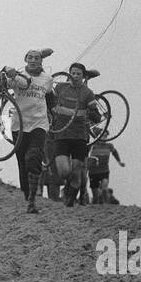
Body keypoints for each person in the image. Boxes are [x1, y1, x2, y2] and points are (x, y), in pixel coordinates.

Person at [0, 48, 55, 213]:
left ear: (41, 61)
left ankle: (33, 200)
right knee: (22, 162)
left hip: (39, 123)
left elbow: (50, 97)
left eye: (37, 58)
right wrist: (4, 70)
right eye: (30, 57)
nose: (33, 60)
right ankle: (27, 194)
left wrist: (52, 112)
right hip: (19, 124)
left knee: (33, 157)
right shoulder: (17, 75)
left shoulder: (47, 78)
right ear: (25, 59)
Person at [48, 62, 102, 207]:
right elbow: (49, 101)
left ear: (83, 76)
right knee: (64, 171)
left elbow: (97, 117)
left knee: (77, 170)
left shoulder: (87, 92)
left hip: (79, 136)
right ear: (69, 74)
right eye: (73, 73)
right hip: (62, 135)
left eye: (78, 73)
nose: (75, 76)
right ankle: (69, 188)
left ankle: (69, 199)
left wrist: (91, 113)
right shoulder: (60, 88)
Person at [86, 138, 125, 203]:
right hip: (93, 171)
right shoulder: (93, 145)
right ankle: (96, 206)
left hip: (104, 170)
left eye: (105, 136)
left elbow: (114, 152)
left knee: (104, 188)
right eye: (103, 135)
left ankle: (106, 205)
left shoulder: (109, 146)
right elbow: (85, 153)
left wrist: (119, 162)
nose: (104, 138)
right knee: (95, 195)